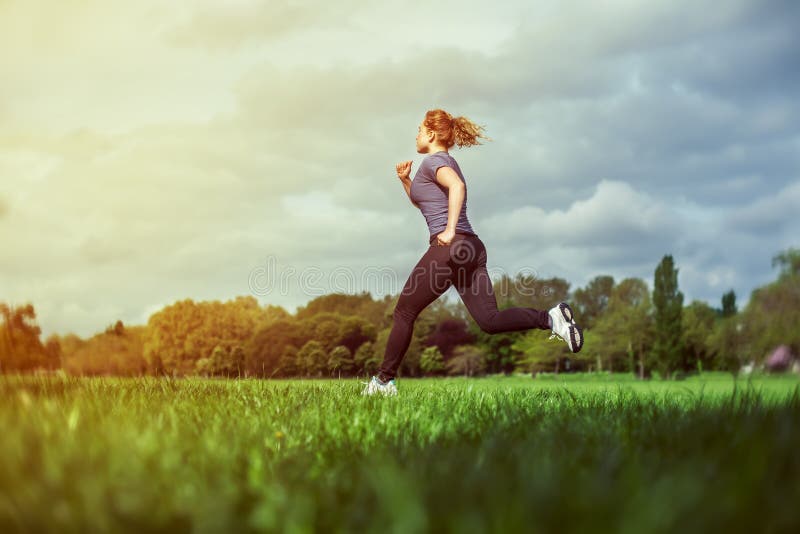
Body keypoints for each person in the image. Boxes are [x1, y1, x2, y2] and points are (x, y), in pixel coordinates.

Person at [362, 109, 583, 396]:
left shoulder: (433, 162)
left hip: (451, 247)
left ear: (431, 133)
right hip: (471, 248)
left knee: (404, 311)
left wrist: (450, 230)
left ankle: (383, 382)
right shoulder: (442, 163)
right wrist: (406, 181)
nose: (415, 135)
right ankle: (551, 319)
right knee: (490, 321)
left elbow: (457, 186)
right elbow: (425, 203)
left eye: (419, 130)